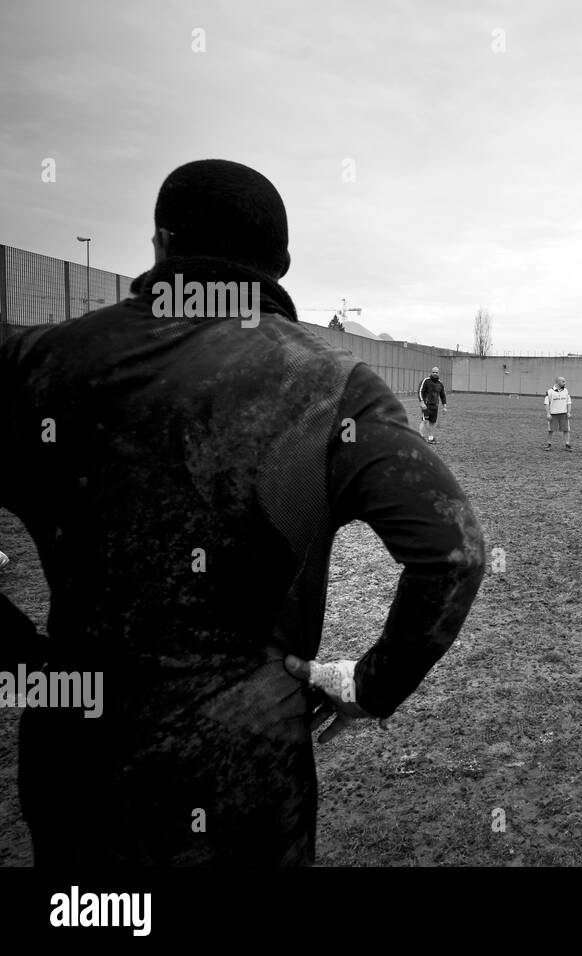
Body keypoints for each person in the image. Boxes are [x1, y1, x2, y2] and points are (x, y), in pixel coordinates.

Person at [0, 159, 486, 865]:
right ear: (282, 264)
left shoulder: (33, 362)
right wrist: (369, 685)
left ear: (161, 245)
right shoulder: (329, 382)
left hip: (77, 749)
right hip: (246, 756)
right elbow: (455, 553)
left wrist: (32, 666)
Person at [419, 367, 448, 443]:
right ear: (431, 372)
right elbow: (420, 391)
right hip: (426, 405)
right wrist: (422, 402)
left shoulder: (440, 383)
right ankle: (420, 437)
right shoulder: (426, 381)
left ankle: (430, 438)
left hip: (435, 406)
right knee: (425, 421)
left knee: (432, 422)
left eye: (436, 372)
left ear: (439, 373)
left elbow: (443, 395)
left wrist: (444, 406)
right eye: (433, 372)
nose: (435, 373)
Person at [544, 376, 573, 450]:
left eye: (564, 381)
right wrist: (548, 414)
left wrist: (569, 412)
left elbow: (569, 402)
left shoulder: (566, 391)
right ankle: (549, 444)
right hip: (553, 415)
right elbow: (546, 403)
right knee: (551, 430)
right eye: (563, 381)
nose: (564, 383)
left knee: (566, 430)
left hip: (564, 414)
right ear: (557, 382)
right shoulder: (549, 391)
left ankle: (567, 444)